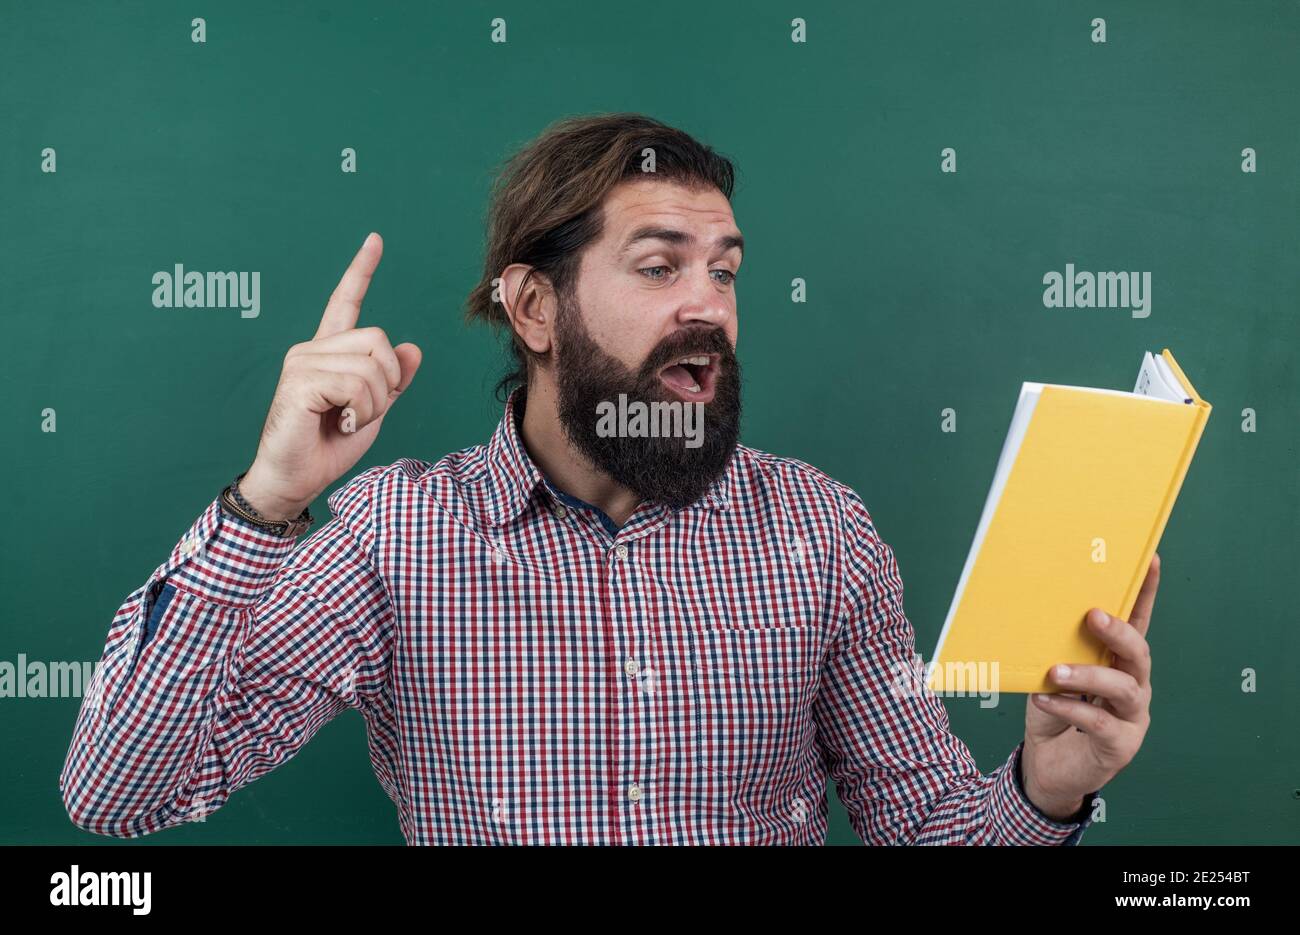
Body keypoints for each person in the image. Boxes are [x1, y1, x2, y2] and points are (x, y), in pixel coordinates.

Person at [60, 113, 1158, 845]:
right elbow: (118, 792)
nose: (708, 305)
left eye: (723, 270)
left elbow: (930, 827)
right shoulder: (396, 531)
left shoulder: (819, 531)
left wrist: (1044, 786)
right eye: (658, 264)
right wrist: (266, 504)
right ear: (533, 308)